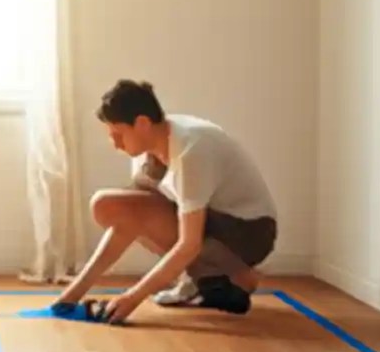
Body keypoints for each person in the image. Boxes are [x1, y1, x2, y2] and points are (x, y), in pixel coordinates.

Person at [52, 79, 278, 325]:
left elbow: (188, 244)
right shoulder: (148, 149)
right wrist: (73, 294)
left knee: (134, 212)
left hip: (249, 232)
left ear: (142, 123)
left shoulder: (192, 150)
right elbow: (127, 224)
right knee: (108, 205)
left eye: (118, 134)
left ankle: (236, 273)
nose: (115, 144)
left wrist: (132, 298)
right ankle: (205, 279)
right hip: (213, 223)